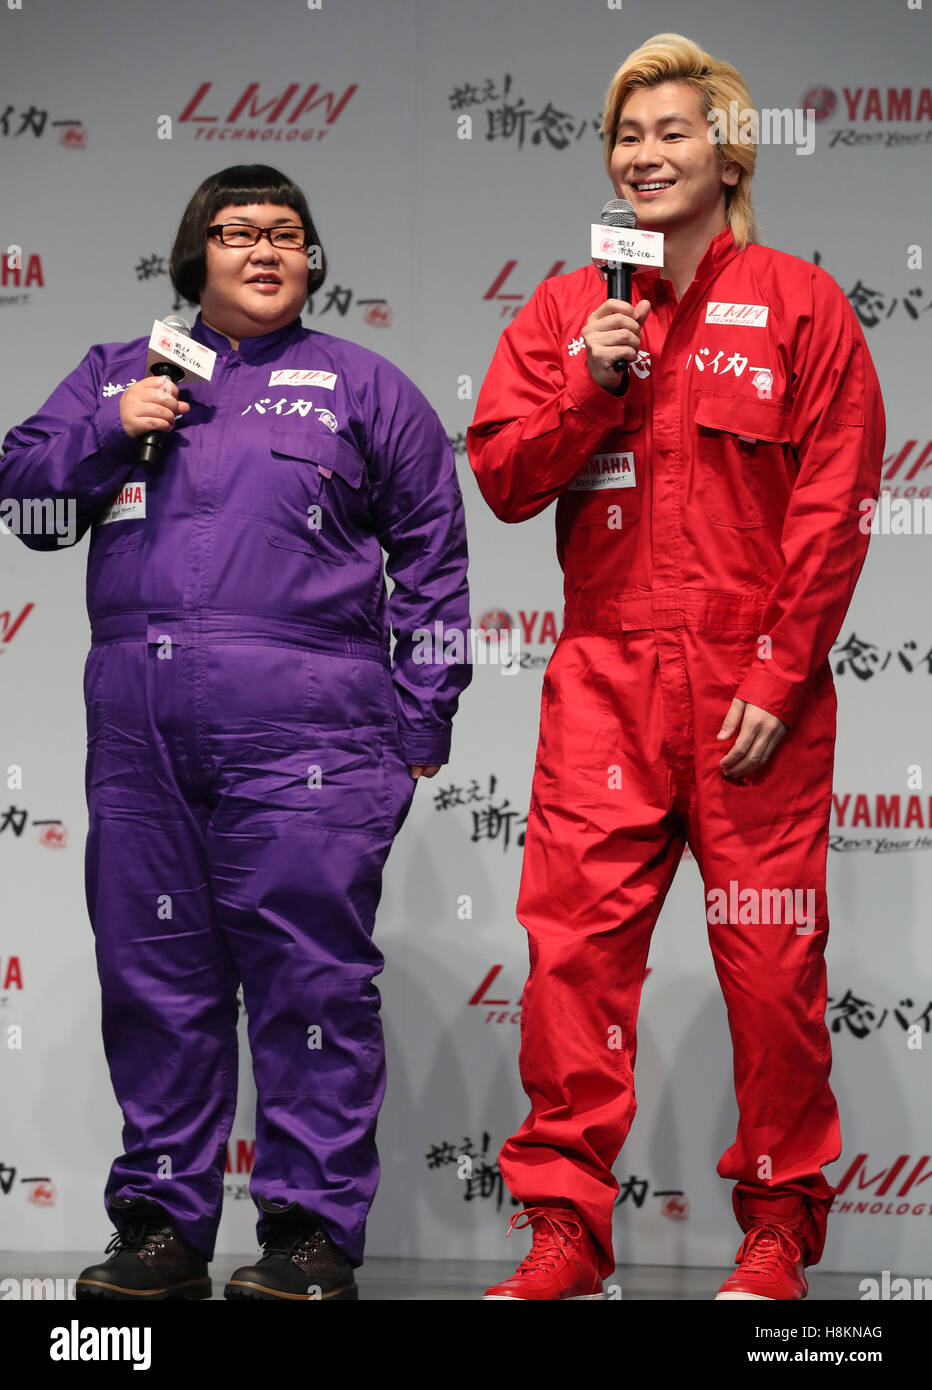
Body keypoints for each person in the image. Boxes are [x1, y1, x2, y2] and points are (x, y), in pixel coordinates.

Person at [0, 163, 470, 1301]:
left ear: (312, 261)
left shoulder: (366, 388)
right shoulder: (126, 374)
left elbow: (435, 563)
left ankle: (309, 1236)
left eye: (288, 234)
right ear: (191, 254)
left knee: (311, 990)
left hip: (311, 740)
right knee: (157, 981)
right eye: (237, 231)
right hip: (141, 741)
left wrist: (420, 723)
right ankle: (160, 1229)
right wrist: (112, 430)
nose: (265, 249)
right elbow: (28, 502)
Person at [467, 34, 884, 1301]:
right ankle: (565, 1230)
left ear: (727, 152)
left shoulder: (802, 304)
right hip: (604, 682)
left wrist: (774, 673)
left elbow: (832, 502)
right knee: (569, 965)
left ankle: (774, 1225)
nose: (643, 155)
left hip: (756, 693)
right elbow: (499, 473)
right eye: (625, 137)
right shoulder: (564, 308)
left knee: (769, 971)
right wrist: (590, 386)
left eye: (670, 133)